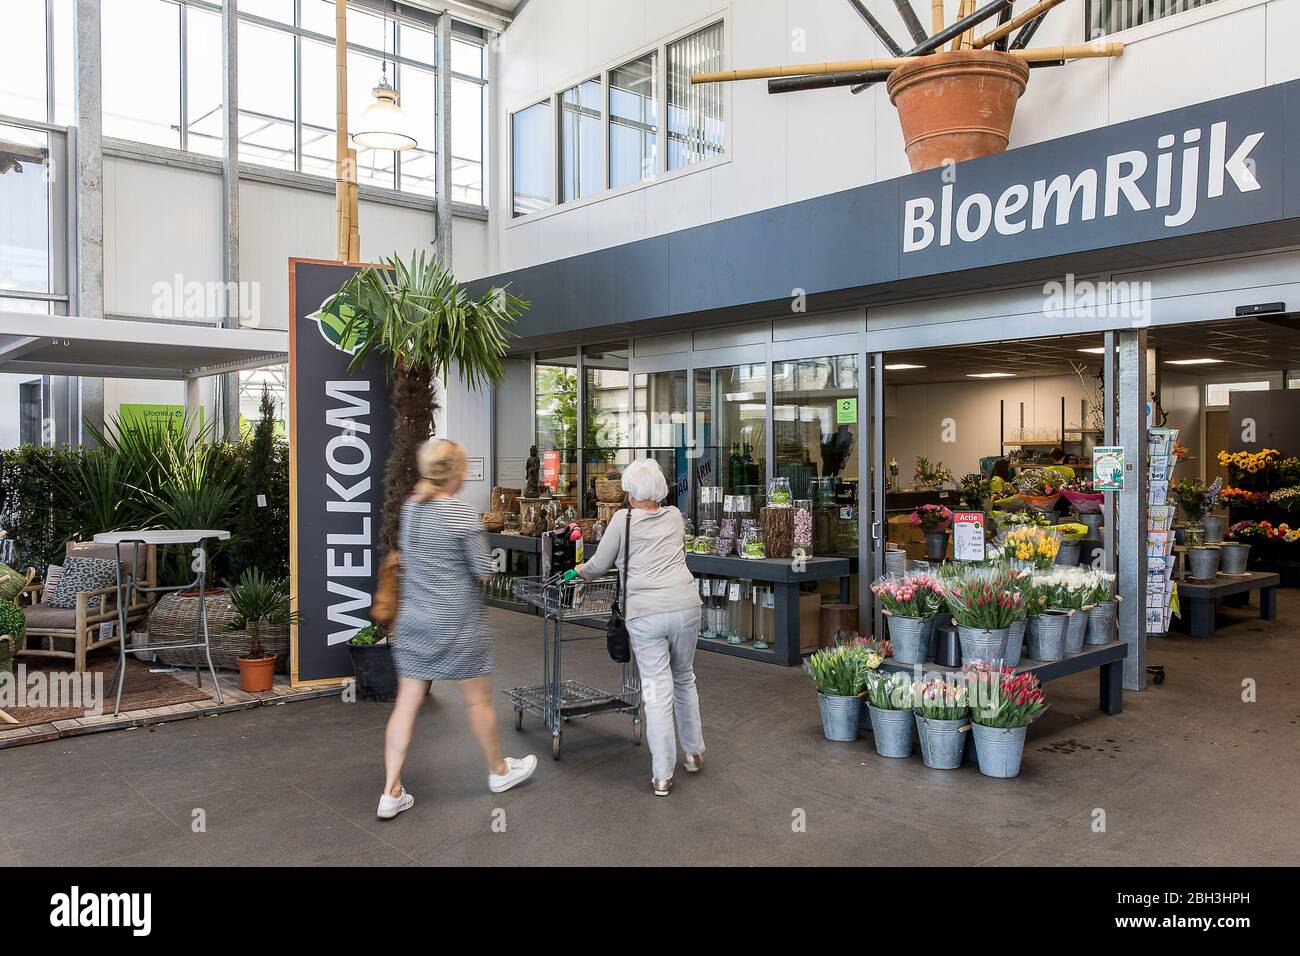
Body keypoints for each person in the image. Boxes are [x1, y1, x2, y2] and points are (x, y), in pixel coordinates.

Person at [378, 438, 537, 820]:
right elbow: (483, 571)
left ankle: (391, 791)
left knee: (406, 704)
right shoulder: (462, 515)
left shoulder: (412, 509)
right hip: (457, 626)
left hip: (415, 623)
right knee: (478, 702)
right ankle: (499, 771)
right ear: (456, 473)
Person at [575, 458, 703, 796]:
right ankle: (692, 753)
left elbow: (599, 564)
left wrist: (578, 571)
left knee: (658, 689)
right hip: (685, 605)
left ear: (632, 494)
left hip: (645, 613)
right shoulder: (675, 516)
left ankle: (662, 775)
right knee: (684, 678)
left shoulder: (622, 520)